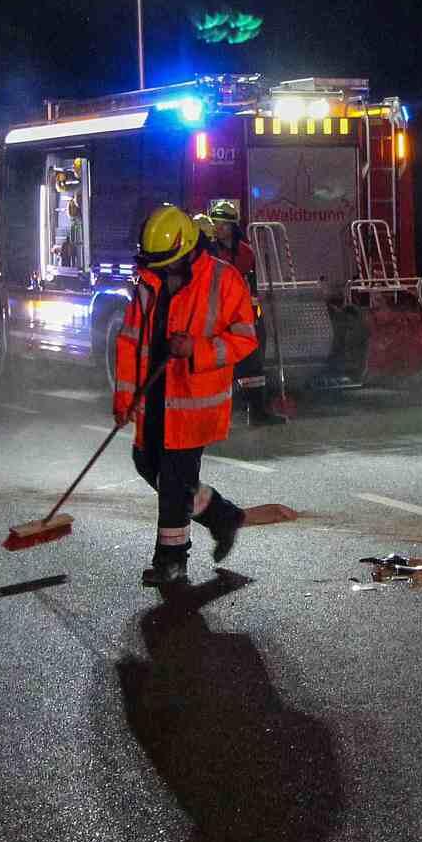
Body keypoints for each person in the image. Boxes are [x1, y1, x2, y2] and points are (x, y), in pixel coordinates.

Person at [115, 205, 259, 587]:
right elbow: (130, 342)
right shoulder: (148, 283)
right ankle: (221, 515)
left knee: (173, 480)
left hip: (193, 401)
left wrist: (196, 348)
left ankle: (171, 562)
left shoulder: (224, 280)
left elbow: (245, 339)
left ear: (188, 249)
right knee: (146, 463)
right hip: (155, 396)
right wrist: (125, 398)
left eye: (168, 263)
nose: (163, 270)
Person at [195, 197, 288, 423]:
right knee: (221, 363)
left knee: (253, 363)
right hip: (220, 318)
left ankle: (256, 411)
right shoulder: (212, 253)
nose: (218, 228)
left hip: (243, 315)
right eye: (216, 223)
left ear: (232, 226)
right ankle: (221, 411)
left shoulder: (246, 253)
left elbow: (249, 286)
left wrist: (255, 314)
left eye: (223, 224)